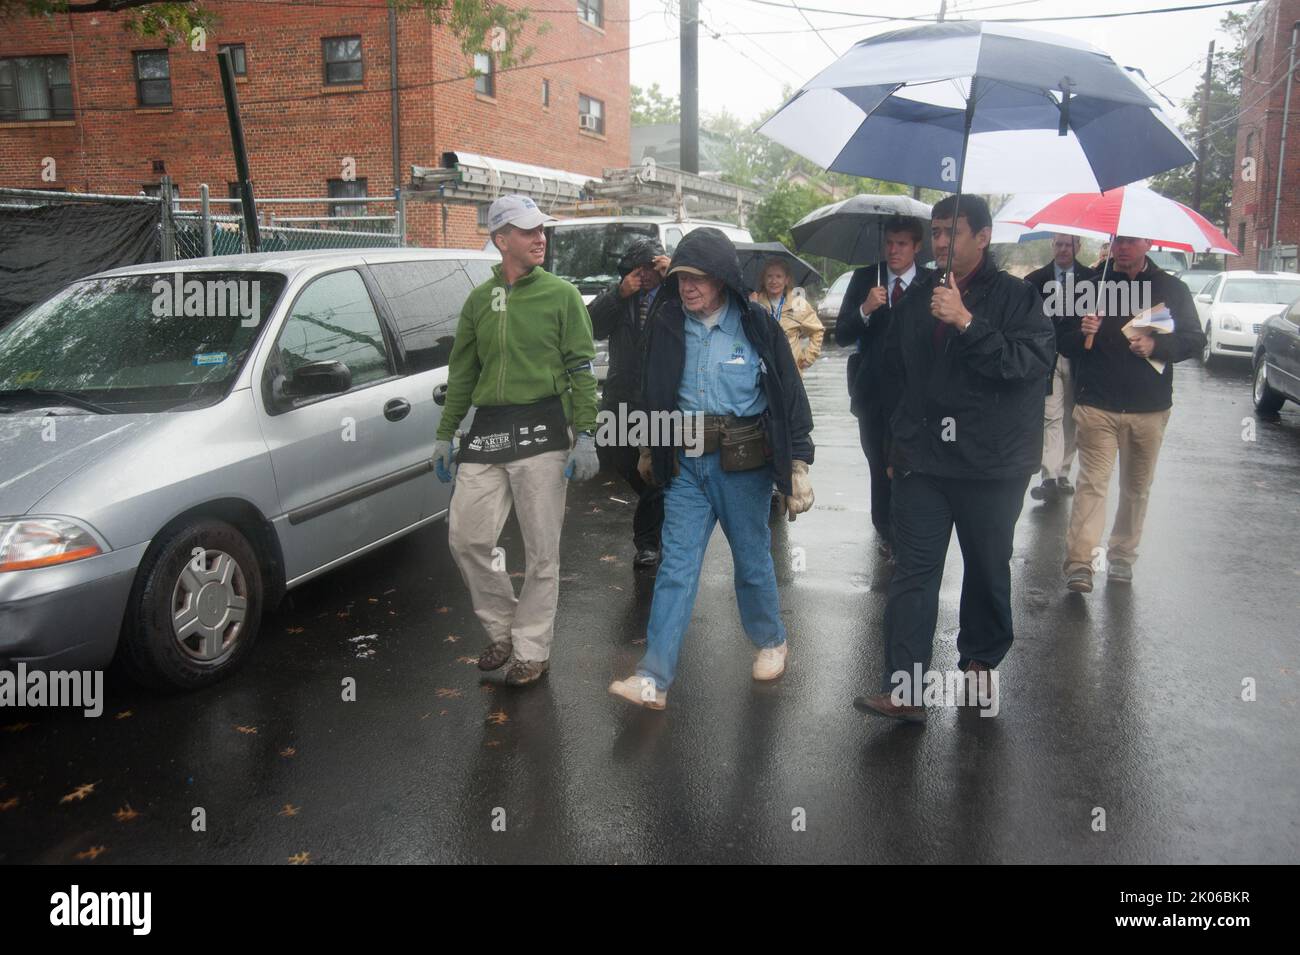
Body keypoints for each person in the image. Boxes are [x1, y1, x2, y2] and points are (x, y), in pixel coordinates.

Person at [853, 195, 1055, 723]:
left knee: (987, 568)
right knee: (914, 572)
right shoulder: (920, 292)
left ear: (983, 237)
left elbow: (1027, 366)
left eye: (952, 232)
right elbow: (900, 375)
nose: (941, 242)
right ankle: (906, 688)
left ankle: (980, 660)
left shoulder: (1017, 298)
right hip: (924, 462)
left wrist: (967, 323)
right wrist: (898, 448)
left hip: (992, 465)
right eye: (937, 232)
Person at [607, 228, 815, 711]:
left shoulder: (757, 326)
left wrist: (798, 463)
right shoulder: (668, 324)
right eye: (681, 278)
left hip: (744, 468)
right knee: (676, 567)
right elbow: (650, 389)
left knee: (751, 560)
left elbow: (788, 396)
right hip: (685, 469)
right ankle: (653, 677)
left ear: (722, 279)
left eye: (699, 278)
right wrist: (646, 444)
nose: (688, 287)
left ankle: (771, 641)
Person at [432, 195, 601, 686]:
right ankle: (503, 628)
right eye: (528, 231)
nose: (540, 238)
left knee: (541, 551)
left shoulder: (561, 295)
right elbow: (463, 372)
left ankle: (531, 649)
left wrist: (586, 432)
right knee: (467, 538)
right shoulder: (480, 301)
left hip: (544, 429)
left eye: (542, 230)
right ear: (501, 238)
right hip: (488, 431)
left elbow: (581, 370)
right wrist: (446, 435)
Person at [1057, 235, 1204, 593]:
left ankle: (1122, 555)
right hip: (1096, 404)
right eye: (1118, 241)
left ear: (1147, 244)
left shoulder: (1171, 288)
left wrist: (1157, 344)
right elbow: (1059, 338)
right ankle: (1080, 563)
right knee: (1092, 484)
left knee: (1136, 488)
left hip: (1149, 407)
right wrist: (1081, 332)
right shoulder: (1087, 287)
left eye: (1131, 241)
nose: (1123, 248)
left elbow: (1194, 339)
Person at [833, 215, 932, 558]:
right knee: (880, 464)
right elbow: (841, 334)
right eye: (889, 243)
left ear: (917, 247)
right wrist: (865, 308)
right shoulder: (866, 278)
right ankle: (887, 530)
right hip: (872, 394)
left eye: (902, 244)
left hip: (915, 395)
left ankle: (911, 528)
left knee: (911, 464)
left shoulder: (933, 282)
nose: (893, 250)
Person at [588, 237, 671, 567]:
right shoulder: (619, 296)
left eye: (652, 267)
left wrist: (673, 275)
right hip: (621, 395)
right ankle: (663, 512)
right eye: (639, 269)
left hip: (660, 397)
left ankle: (646, 541)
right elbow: (590, 325)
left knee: (661, 467)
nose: (645, 275)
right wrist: (619, 293)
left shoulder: (673, 292)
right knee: (622, 460)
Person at [1024, 233, 1096, 504]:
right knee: (1050, 415)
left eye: (1069, 244)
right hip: (1047, 357)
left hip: (1078, 357)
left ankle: (1064, 471)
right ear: (1052, 246)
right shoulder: (1035, 281)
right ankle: (1049, 475)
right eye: (1059, 244)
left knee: (1071, 416)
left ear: (1078, 246)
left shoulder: (1093, 281)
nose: (1064, 249)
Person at [751, 257, 825, 376]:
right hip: (761, 371)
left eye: (778, 276)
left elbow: (817, 330)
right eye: (769, 276)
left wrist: (809, 357)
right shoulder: (755, 302)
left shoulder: (798, 303)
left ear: (787, 280)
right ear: (763, 279)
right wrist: (752, 308)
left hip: (791, 373)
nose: (773, 281)